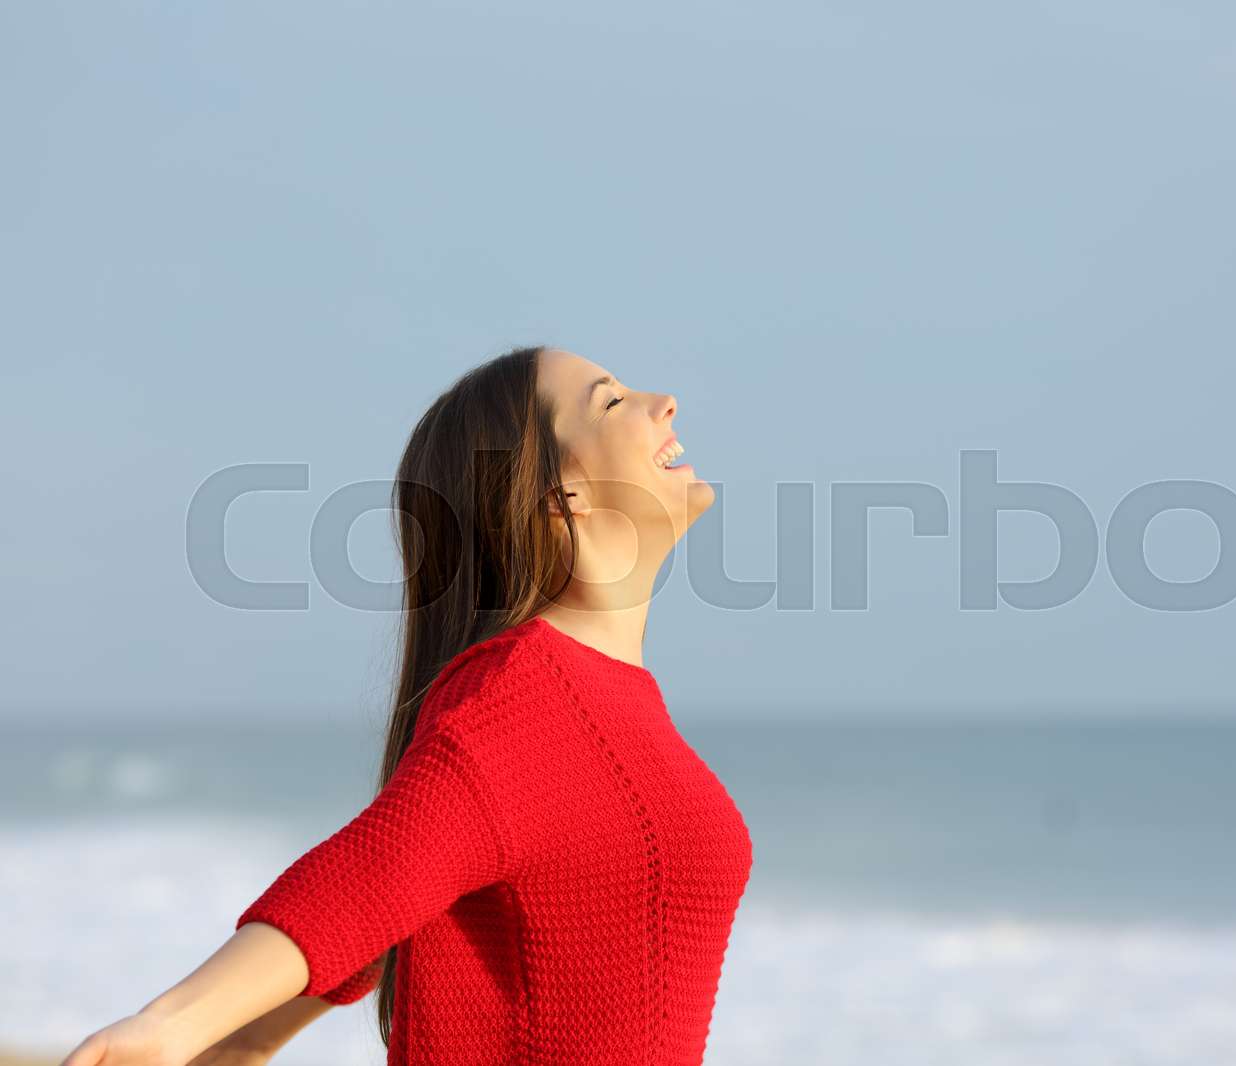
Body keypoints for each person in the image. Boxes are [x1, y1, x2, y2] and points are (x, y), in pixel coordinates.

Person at [59, 346, 752, 1066]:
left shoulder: (598, 695)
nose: (663, 401)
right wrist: (171, 1028)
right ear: (559, 497)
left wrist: (248, 1039)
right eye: (610, 401)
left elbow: (414, 881)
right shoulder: (523, 693)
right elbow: (370, 871)